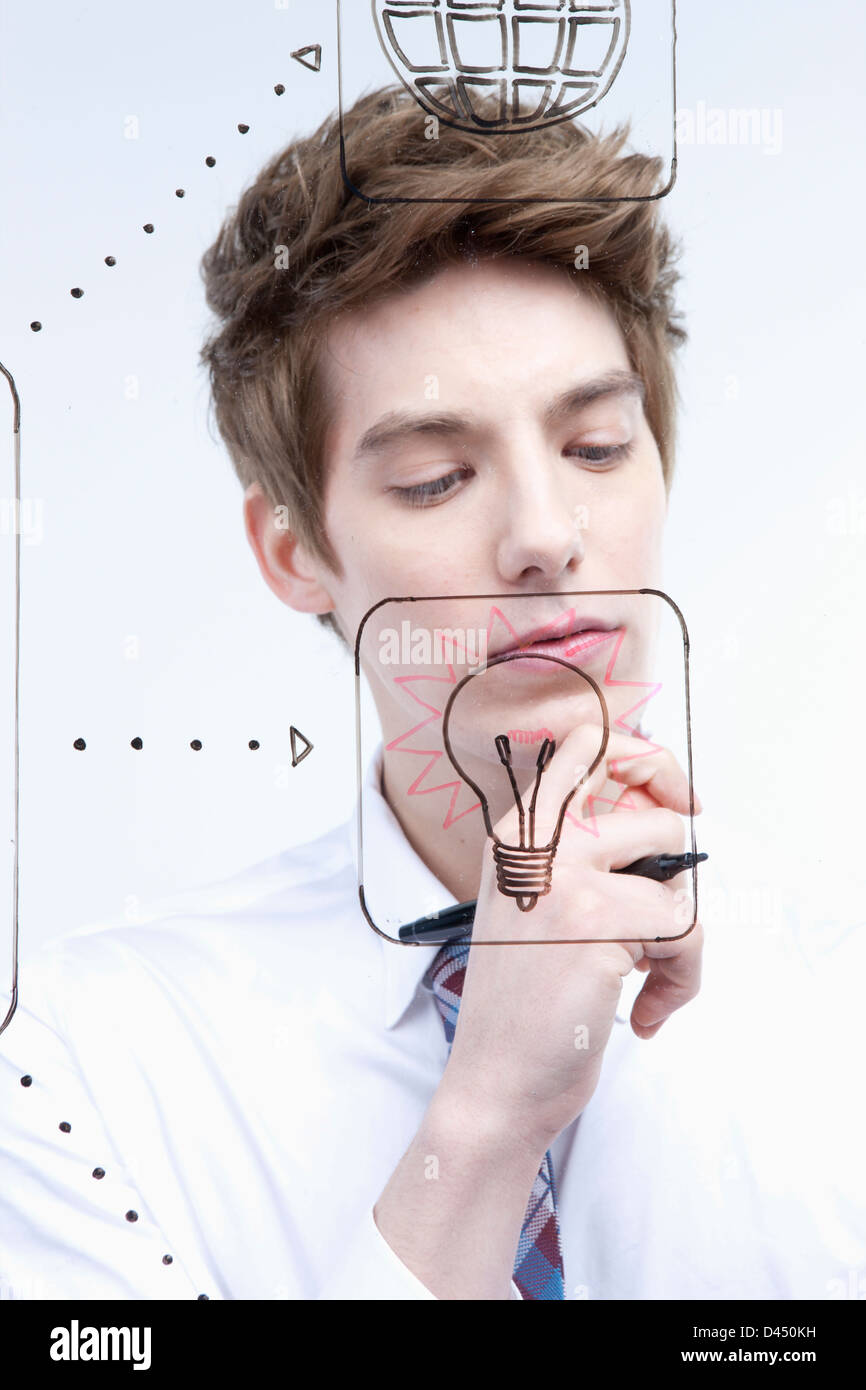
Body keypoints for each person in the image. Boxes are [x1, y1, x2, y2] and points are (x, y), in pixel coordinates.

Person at [0, 88, 854, 1302]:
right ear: (296, 551)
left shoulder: (842, 1009)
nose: (546, 536)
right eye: (437, 478)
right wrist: (486, 1117)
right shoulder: (80, 1073)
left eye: (597, 447)